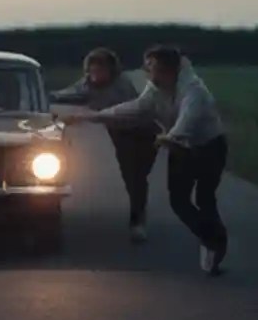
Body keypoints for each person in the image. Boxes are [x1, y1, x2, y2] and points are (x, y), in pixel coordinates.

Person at [65, 45, 229, 275]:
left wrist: (171, 136)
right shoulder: (154, 89)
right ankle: (210, 238)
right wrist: (93, 117)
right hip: (179, 148)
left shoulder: (194, 91)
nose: (146, 72)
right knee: (179, 202)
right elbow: (134, 108)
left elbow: (188, 118)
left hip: (209, 147)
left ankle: (216, 243)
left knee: (205, 197)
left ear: (167, 71)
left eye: (150, 68)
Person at [50, 47, 159, 242]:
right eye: (92, 71)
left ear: (111, 71)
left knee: (138, 175)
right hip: (120, 133)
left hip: (143, 131)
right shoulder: (87, 84)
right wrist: (45, 98)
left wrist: (81, 117)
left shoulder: (122, 87)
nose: (96, 75)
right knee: (131, 175)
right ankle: (137, 219)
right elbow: (69, 94)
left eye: (101, 70)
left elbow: (120, 112)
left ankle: (138, 217)